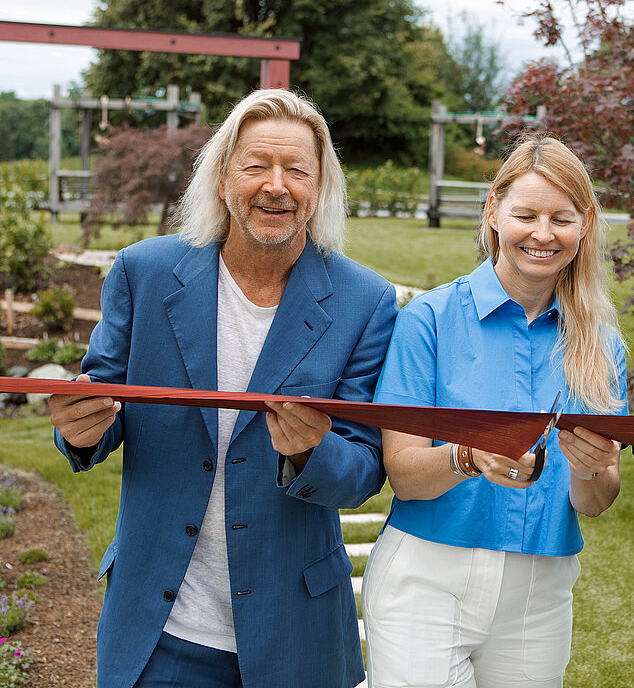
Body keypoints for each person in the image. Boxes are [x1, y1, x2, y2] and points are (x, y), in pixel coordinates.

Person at [48, 89, 398, 688]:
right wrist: (81, 433)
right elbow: (102, 403)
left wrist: (312, 451)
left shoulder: (365, 301)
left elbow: (365, 471)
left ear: (321, 188)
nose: (276, 185)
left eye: (297, 170)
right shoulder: (144, 272)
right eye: (256, 165)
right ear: (221, 177)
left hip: (297, 631)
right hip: (160, 629)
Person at [362, 136, 626, 688]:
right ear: (493, 214)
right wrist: (467, 455)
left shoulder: (601, 345)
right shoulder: (429, 320)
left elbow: (597, 501)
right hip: (427, 579)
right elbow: (404, 477)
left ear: (585, 225)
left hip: (541, 591)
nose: (543, 233)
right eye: (526, 214)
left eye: (562, 218)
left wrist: (587, 467)